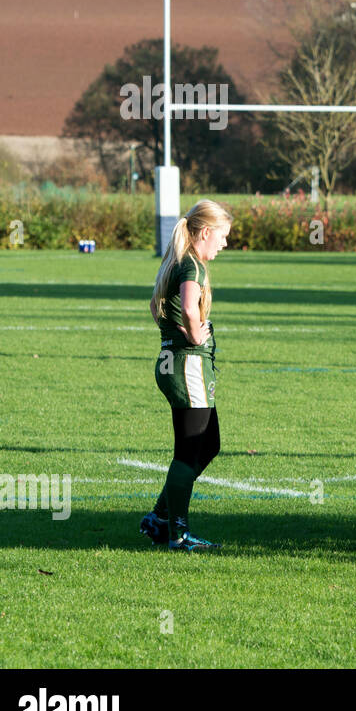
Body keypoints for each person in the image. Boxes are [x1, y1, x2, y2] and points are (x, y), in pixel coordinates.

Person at [141, 200, 233, 552]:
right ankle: (177, 534)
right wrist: (194, 333)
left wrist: (172, 331)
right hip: (187, 365)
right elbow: (190, 304)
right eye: (222, 236)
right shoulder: (193, 267)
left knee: (209, 444)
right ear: (205, 232)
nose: (224, 244)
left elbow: (154, 305)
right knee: (189, 450)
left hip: (172, 361)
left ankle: (160, 518)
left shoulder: (176, 260)